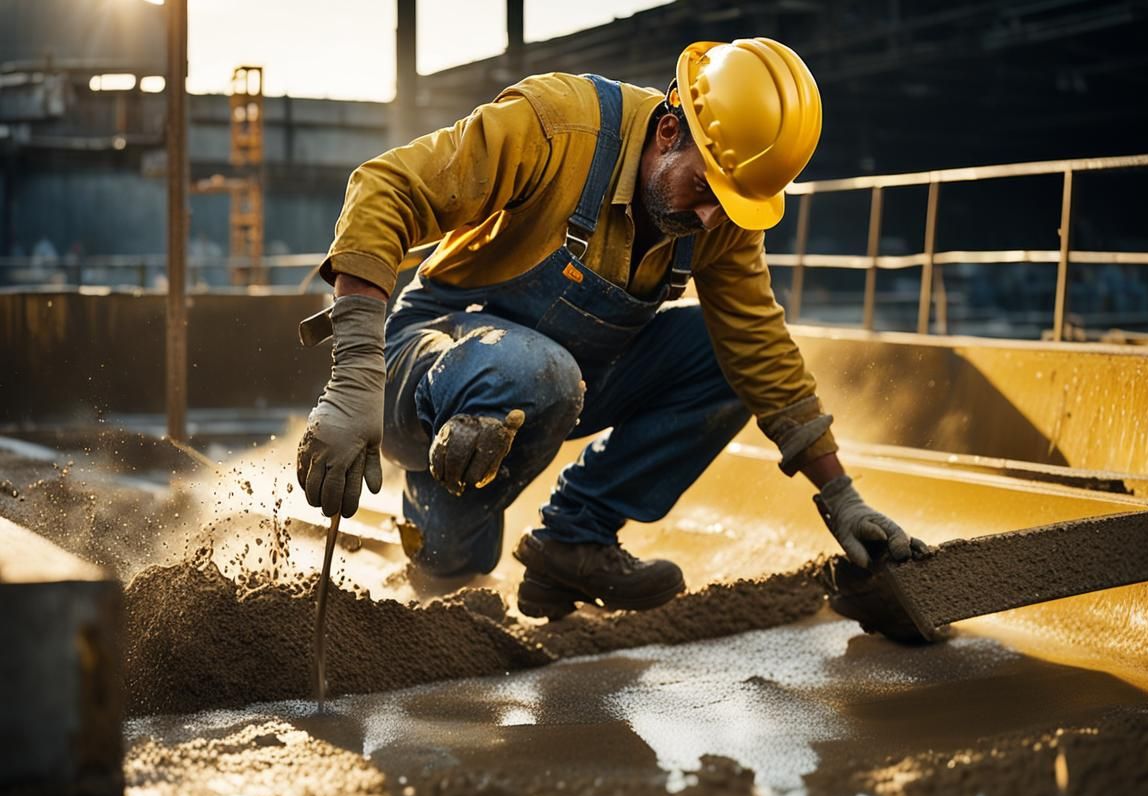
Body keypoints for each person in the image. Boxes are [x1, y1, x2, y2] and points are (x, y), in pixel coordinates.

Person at [297, 37, 926, 619]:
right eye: (704, 190)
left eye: (729, 206)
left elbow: (759, 348)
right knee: (454, 562)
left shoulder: (722, 215)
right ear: (669, 131)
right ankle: (446, 539)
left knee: (721, 356)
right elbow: (386, 188)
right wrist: (355, 374)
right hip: (428, 363)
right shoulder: (557, 125)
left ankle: (574, 539)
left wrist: (841, 495)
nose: (710, 219)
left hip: (562, 380)